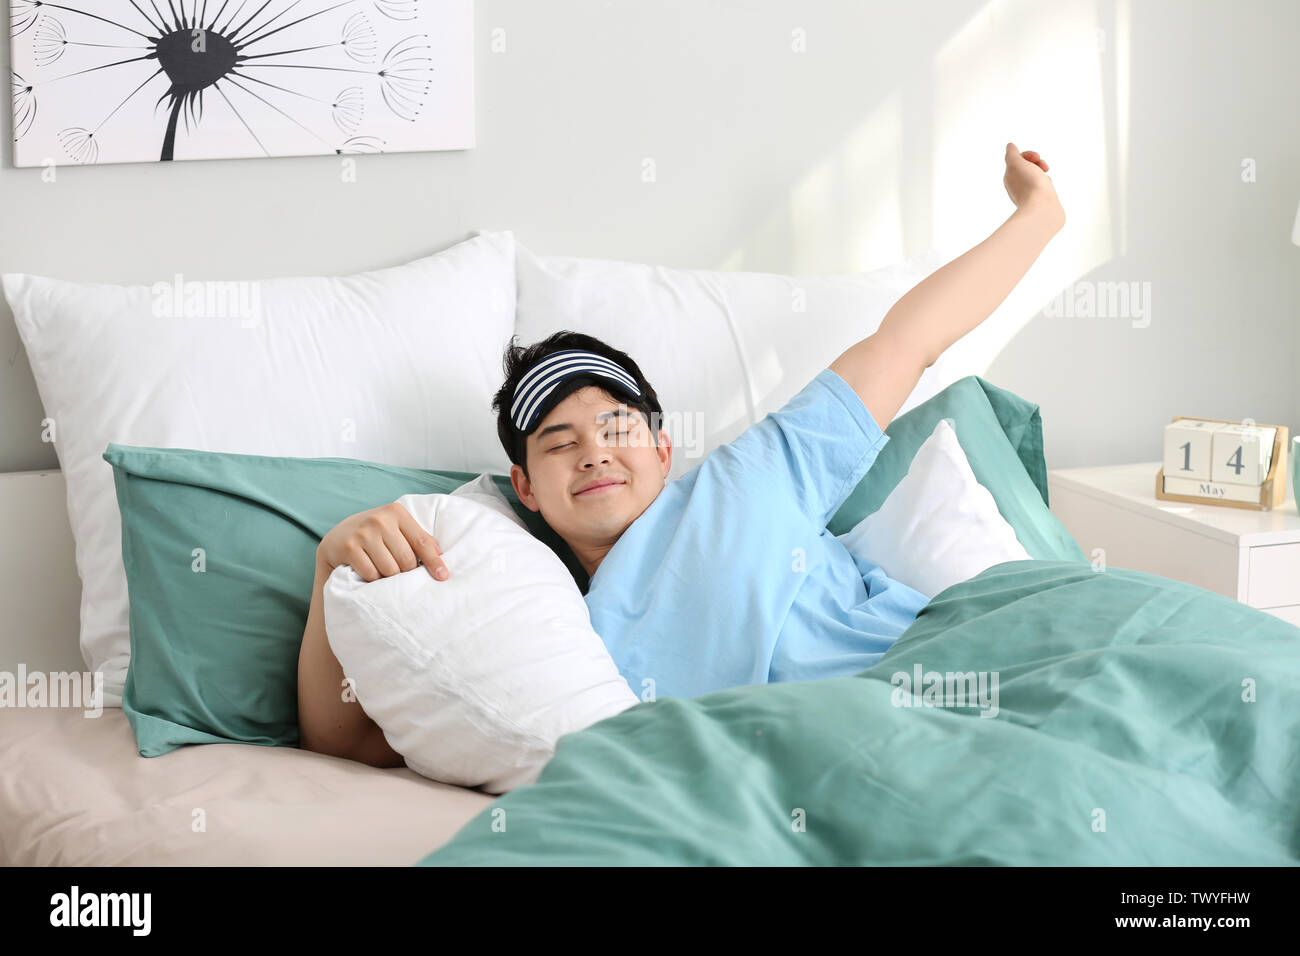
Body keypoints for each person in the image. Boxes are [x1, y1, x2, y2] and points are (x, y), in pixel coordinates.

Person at [298, 142, 1065, 764]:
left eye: (617, 428)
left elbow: (910, 340)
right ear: (526, 490)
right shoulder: (547, 630)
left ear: (665, 450)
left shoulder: (757, 472)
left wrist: (1035, 216)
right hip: (833, 761)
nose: (594, 452)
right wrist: (331, 568)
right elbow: (350, 743)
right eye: (559, 443)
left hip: (972, 674)